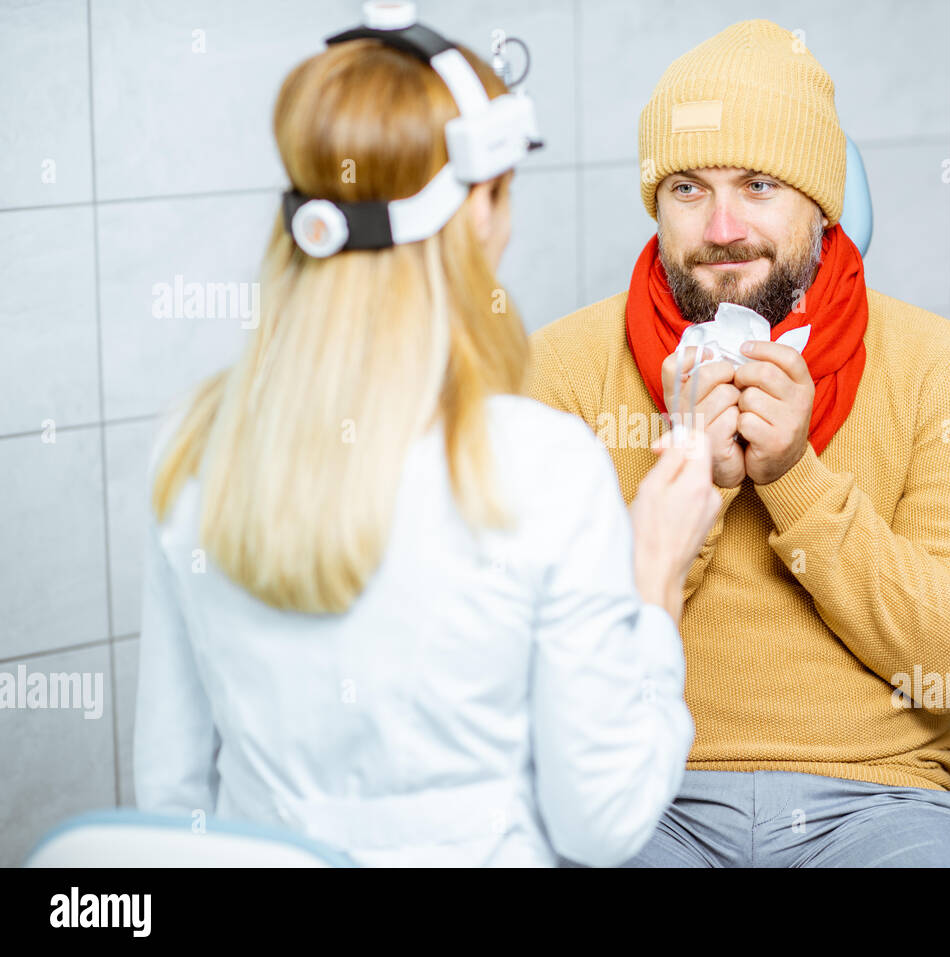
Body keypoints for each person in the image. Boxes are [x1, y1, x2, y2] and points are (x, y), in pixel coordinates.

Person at [133, 10, 720, 868]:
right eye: (505, 191)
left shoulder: (190, 450)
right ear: (478, 208)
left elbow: (172, 792)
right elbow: (604, 822)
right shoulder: (539, 468)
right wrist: (656, 580)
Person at [525, 20, 950, 866]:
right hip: (647, 797)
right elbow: (542, 652)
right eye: (687, 187)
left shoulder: (947, 369)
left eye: (759, 184)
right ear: (655, 202)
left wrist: (795, 477)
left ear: (821, 204)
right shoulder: (561, 366)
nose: (722, 227)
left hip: (883, 806)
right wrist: (696, 480)